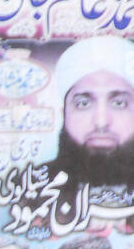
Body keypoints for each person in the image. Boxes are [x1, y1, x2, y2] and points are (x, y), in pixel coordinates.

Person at [45, 35, 134, 219]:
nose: (101, 122)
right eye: (83, 104)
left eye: (119, 103)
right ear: (64, 114)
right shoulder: (32, 191)